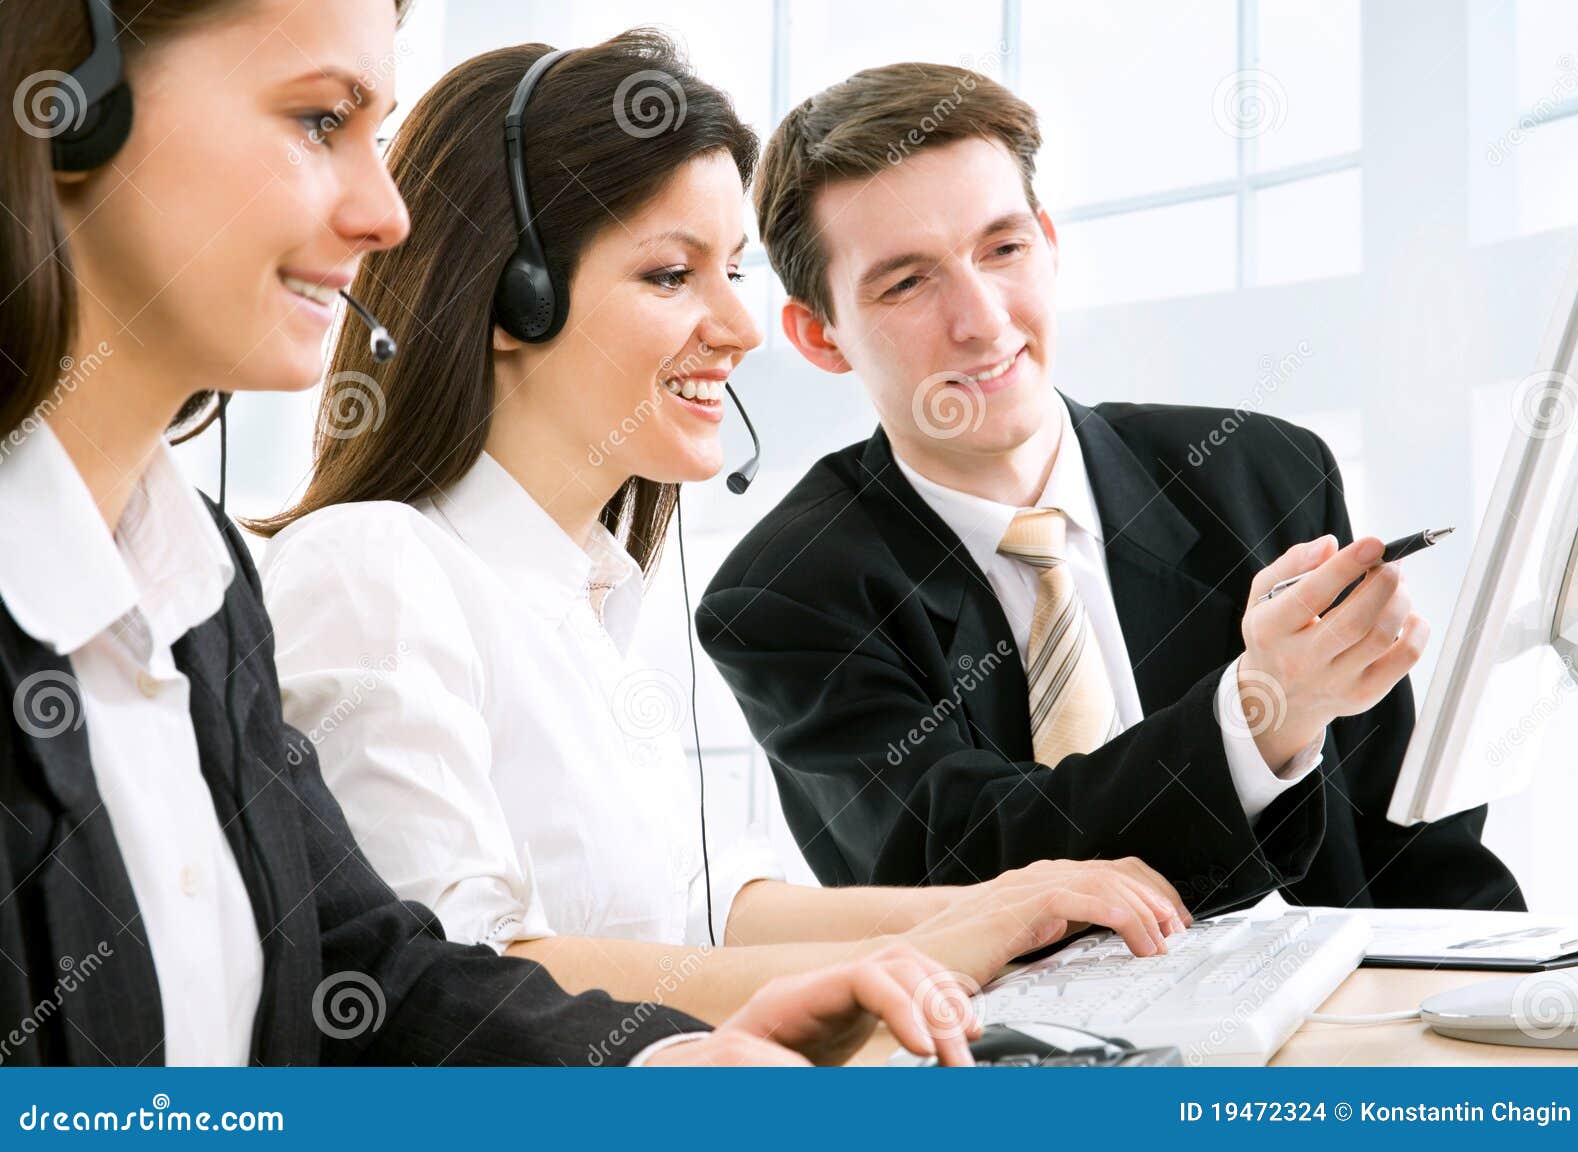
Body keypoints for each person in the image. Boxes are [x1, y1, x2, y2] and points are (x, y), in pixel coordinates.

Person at [0, 0, 994, 1068]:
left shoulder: (206, 593)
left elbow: (387, 972)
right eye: (318, 120)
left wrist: (668, 1063)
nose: (384, 215)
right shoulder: (365, 567)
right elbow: (455, 958)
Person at [251, 33, 1189, 1028]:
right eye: (671, 274)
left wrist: (1008, 905)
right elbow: (461, 979)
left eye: (732, 269)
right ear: (515, 295)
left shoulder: (585, 595)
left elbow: (701, 907)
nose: (739, 327)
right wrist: (911, 955)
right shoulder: (374, 570)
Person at [696, 62, 1523, 915]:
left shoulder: (1265, 473)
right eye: (908, 282)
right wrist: (1256, 717)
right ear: (819, 336)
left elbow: (1421, 855)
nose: (983, 319)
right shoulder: (785, 596)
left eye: (1004, 248)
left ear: (1049, 244)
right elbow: (960, 870)